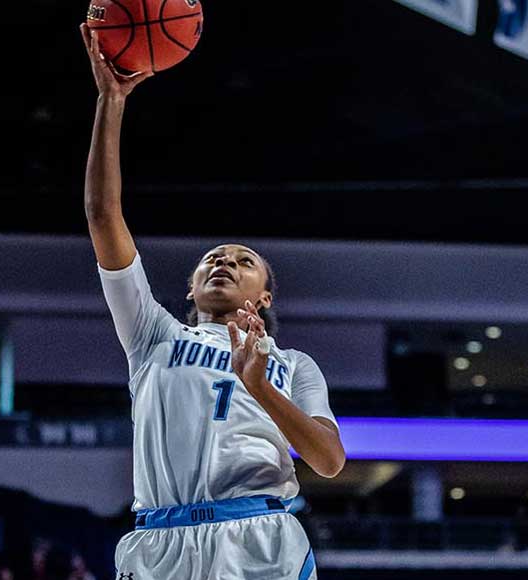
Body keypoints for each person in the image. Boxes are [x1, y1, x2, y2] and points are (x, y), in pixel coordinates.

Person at [80, 23, 345, 580]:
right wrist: (112, 100)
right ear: (190, 288)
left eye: (243, 260)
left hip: (258, 538)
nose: (224, 262)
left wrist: (260, 387)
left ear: (264, 294)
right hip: (158, 541)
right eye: (213, 258)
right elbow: (104, 216)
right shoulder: (154, 335)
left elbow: (328, 460)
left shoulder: (293, 365)